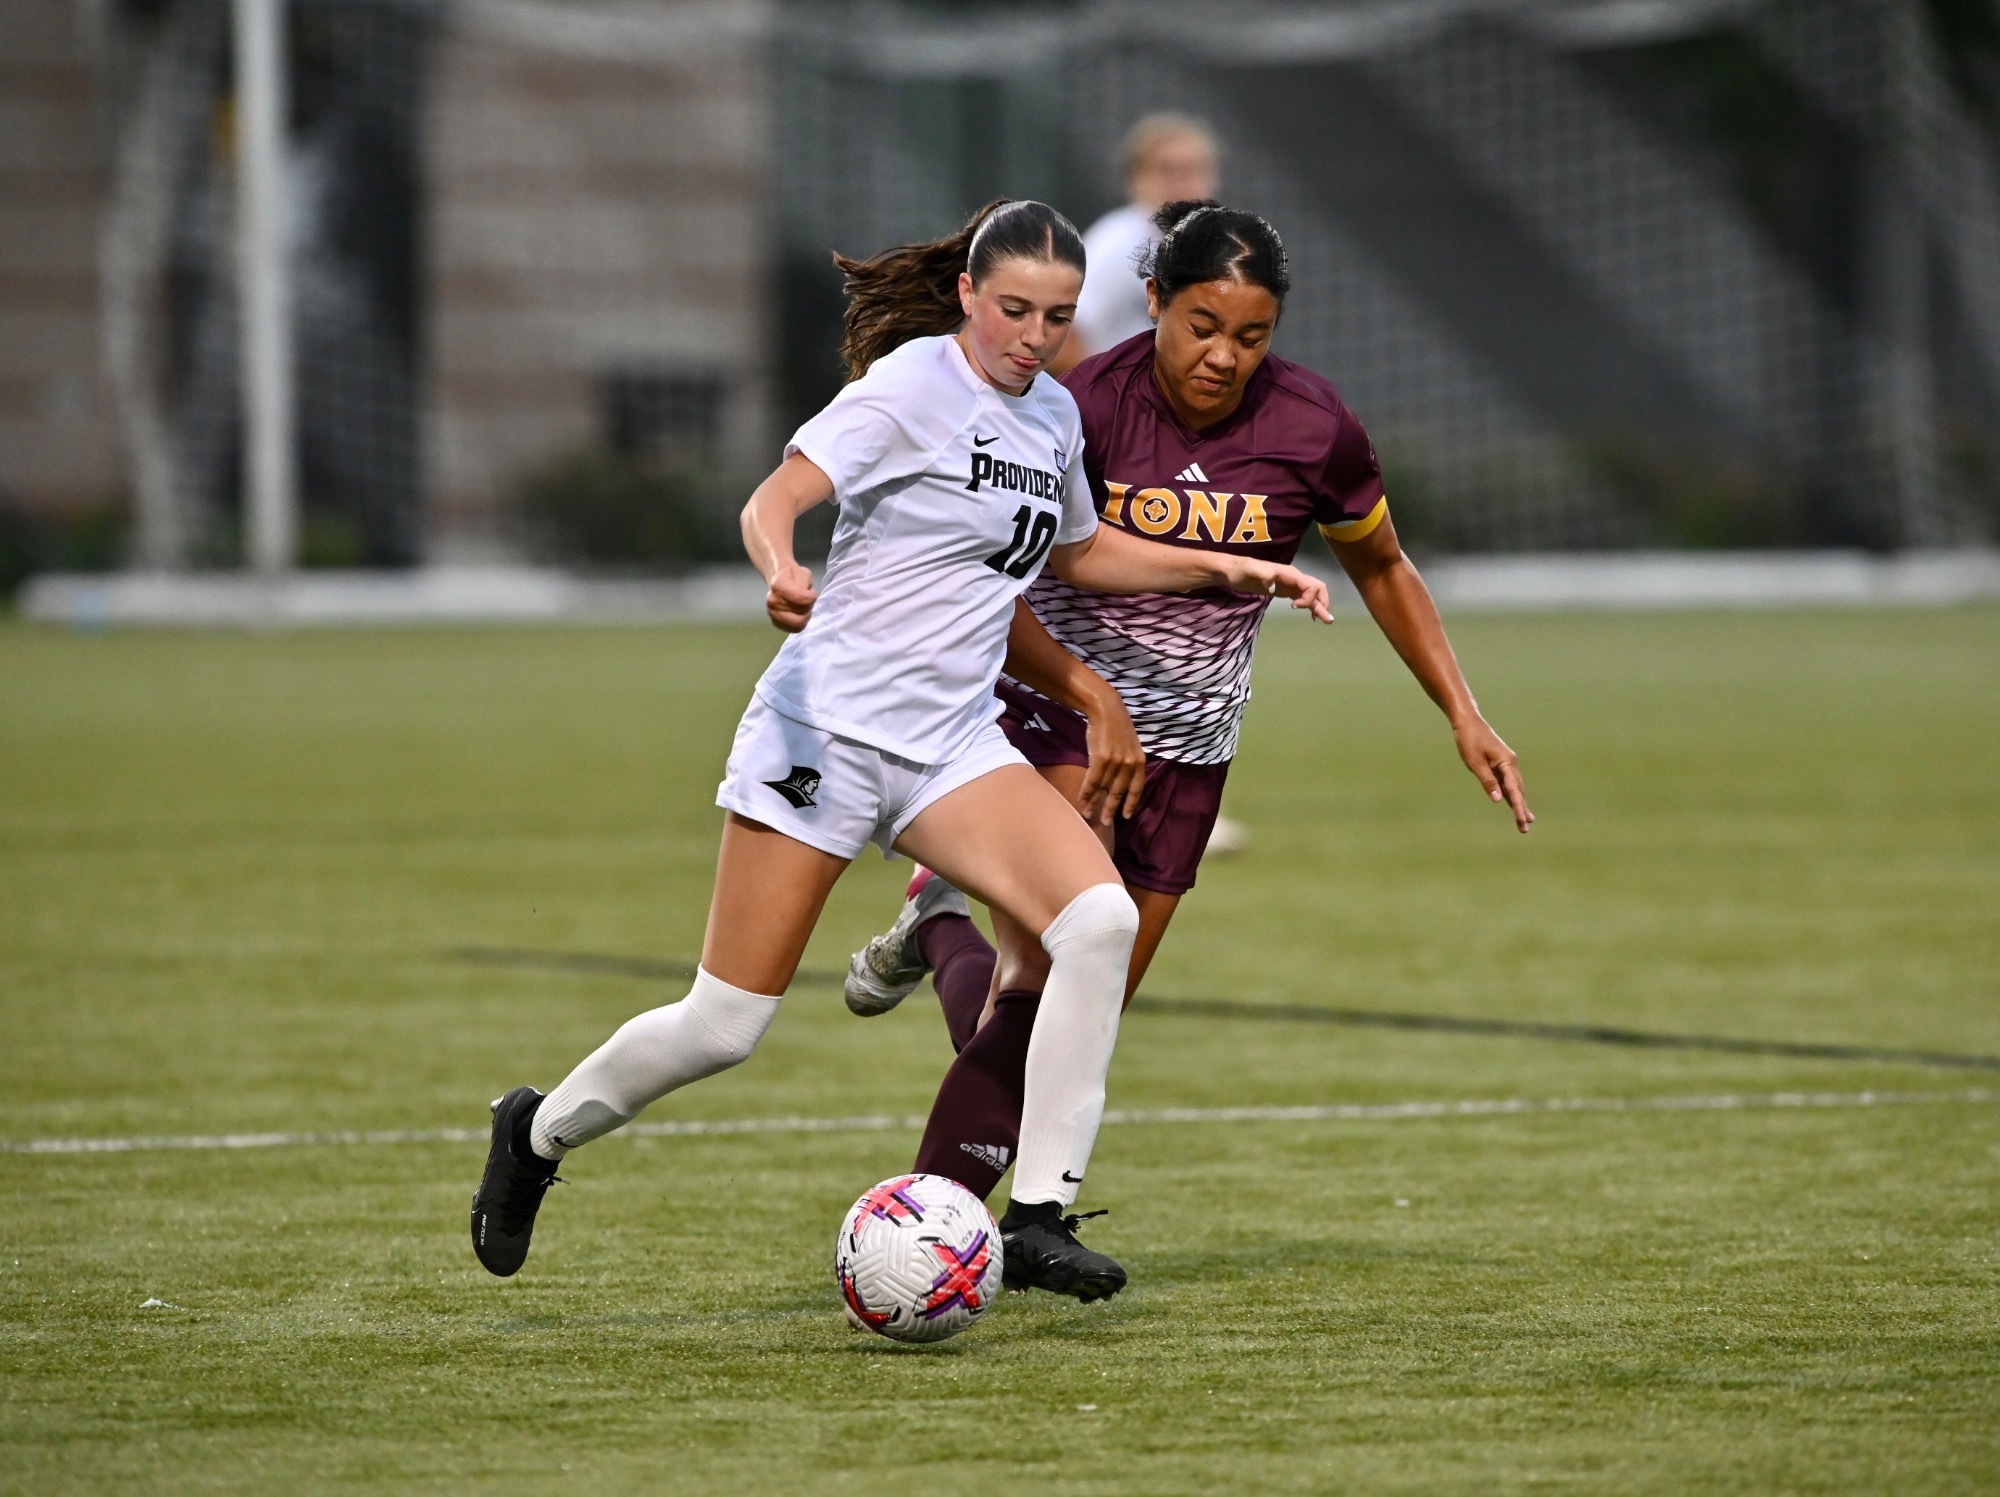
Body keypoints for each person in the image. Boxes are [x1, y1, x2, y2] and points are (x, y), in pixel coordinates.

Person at [468, 199, 1335, 1304]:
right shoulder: (910, 386)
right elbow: (776, 496)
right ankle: (534, 1134)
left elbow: (1076, 556)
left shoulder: (1053, 418)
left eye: (1056, 316)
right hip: (824, 732)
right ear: (968, 295)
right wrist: (781, 565)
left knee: (1098, 920)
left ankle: (1034, 1216)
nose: (1031, 335)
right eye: (1012, 308)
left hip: (949, 743)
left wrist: (1230, 571)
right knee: (724, 1025)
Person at [844, 200, 1534, 1216]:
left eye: (1250, 337)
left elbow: (1381, 567)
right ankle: (944, 1231)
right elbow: (1001, 575)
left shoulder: (1313, 427)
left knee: (1071, 1022)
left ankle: (938, 923)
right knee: (1040, 993)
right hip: (1057, 726)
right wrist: (1077, 691)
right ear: (1154, 300)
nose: (1223, 356)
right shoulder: (1081, 408)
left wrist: (1460, 712)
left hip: (1191, 755)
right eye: (1201, 327)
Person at [1060, 114, 1221, 371]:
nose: (1181, 183)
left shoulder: (1218, 247)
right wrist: (1107, 395)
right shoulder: (1117, 243)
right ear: (1137, 179)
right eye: (1167, 170)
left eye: (1191, 170)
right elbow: (1066, 333)